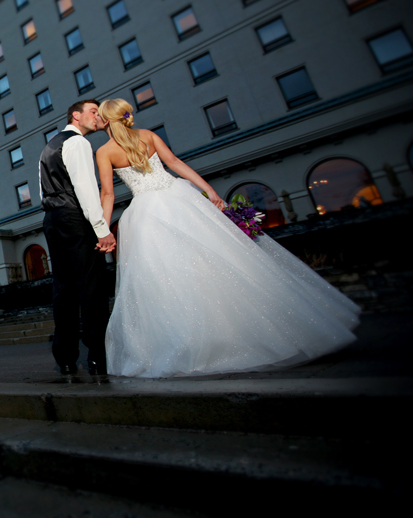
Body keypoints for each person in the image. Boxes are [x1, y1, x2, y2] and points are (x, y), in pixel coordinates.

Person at [95, 98, 360, 378]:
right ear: (127, 116)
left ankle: (195, 340)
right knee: (217, 258)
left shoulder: (104, 152)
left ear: (105, 120)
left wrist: (103, 229)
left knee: (165, 274)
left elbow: (108, 194)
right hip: (179, 197)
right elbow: (174, 163)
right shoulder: (148, 136)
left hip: (146, 212)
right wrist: (209, 191)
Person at [39, 100, 116, 381]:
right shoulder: (78, 143)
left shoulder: (50, 146)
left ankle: (66, 360)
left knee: (63, 289)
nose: (97, 117)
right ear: (76, 115)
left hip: (52, 220)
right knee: (91, 287)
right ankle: (97, 357)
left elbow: (43, 190)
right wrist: (101, 227)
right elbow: (85, 188)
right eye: (93, 112)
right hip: (74, 217)